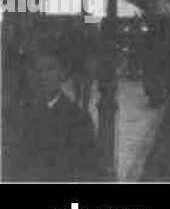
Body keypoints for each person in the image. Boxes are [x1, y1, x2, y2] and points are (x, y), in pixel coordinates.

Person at [9, 43, 104, 181]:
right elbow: (14, 162)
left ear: (63, 73)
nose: (43, 76)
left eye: (49, 69)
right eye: (38, 70)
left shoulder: (77, 118)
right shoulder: (25, 113)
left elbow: (88, 168)